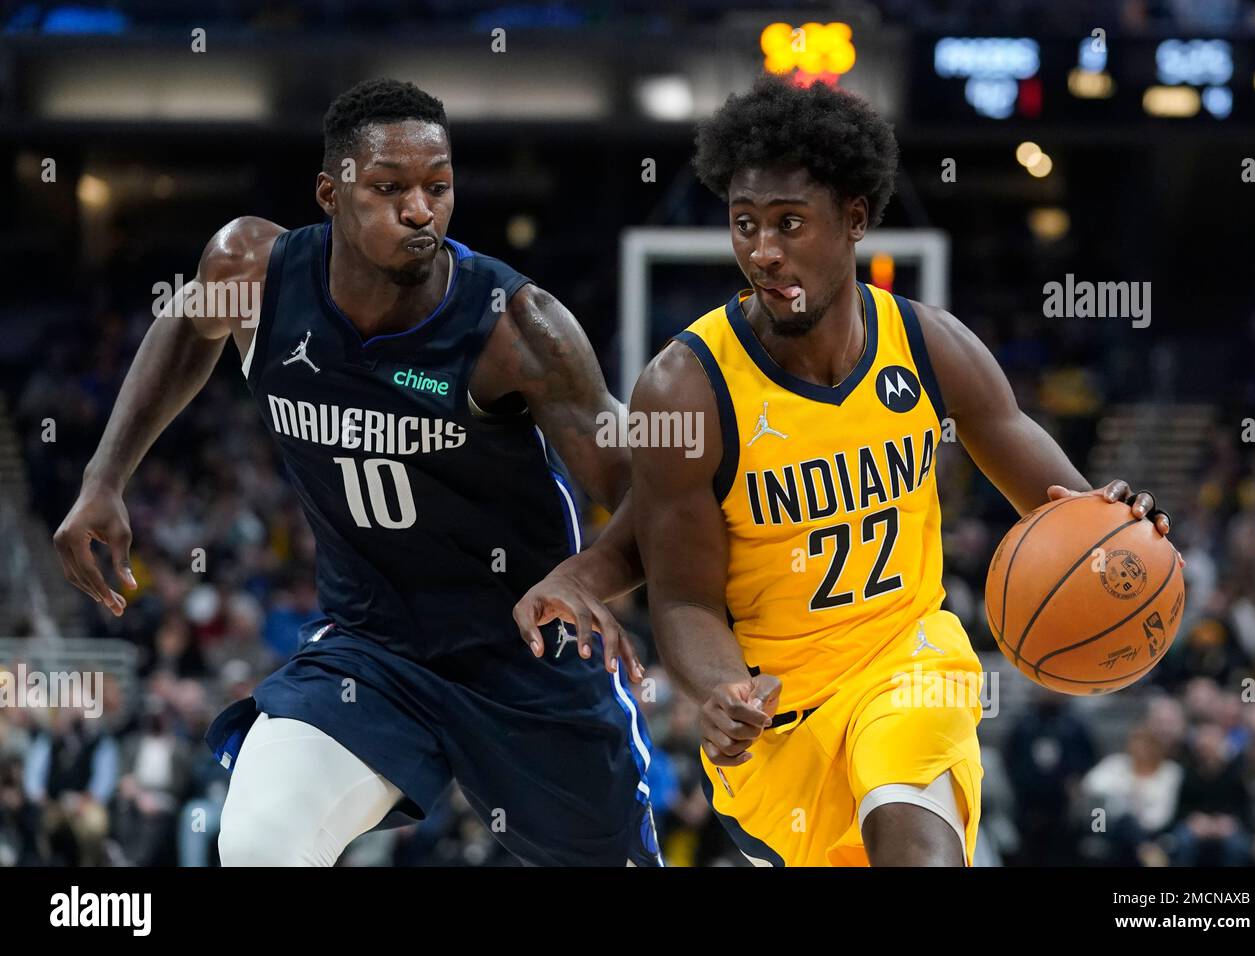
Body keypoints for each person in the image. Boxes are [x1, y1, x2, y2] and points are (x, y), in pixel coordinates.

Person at [54, 78, 659, 867]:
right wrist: (106, 477)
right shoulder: (252, 269)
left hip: (527, 656)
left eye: (438, 188)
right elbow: (184, 324)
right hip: (373, 651)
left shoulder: (518, 328)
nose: (420, 211)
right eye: (389, 189)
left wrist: (584, 581)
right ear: (330, 193)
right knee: (260, 842)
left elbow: (647, 500)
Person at [628, 75, 1178, 866]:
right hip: (780, 714)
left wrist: (1114, 526)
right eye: (744, 224)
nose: (762, 249)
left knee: (917, 848)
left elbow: (1065, 509)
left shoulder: (929, 346)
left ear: (854, 220)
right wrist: (720, 688)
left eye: (789, 222)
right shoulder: (686, 387)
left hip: (907, 660)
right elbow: (680, 595)